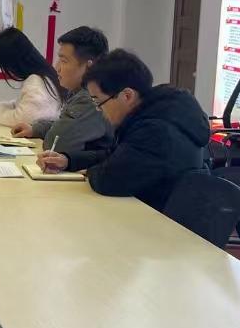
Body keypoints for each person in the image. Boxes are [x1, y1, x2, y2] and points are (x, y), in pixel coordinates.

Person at [37, 49, 209, 209]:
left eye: (98, 102)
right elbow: (114, 155)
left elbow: (108, 181)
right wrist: (68, 161)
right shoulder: (153, 112)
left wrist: (89, 171)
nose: (98, 110)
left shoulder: (156, 130)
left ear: (127, 96)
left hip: (158, 221)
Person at [11, 25, 112, 161]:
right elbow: (64, 124)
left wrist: (45, 132)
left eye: (64, 61)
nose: (57, 67)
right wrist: (35, 129)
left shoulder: (90, 99)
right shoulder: (78, 91)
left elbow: (56, 145)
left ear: (89, 66)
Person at [0, 27, 63, 129]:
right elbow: (16, 105)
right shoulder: (43, 76)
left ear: (11, 60)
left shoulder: (36, 82)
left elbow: (20, 119)